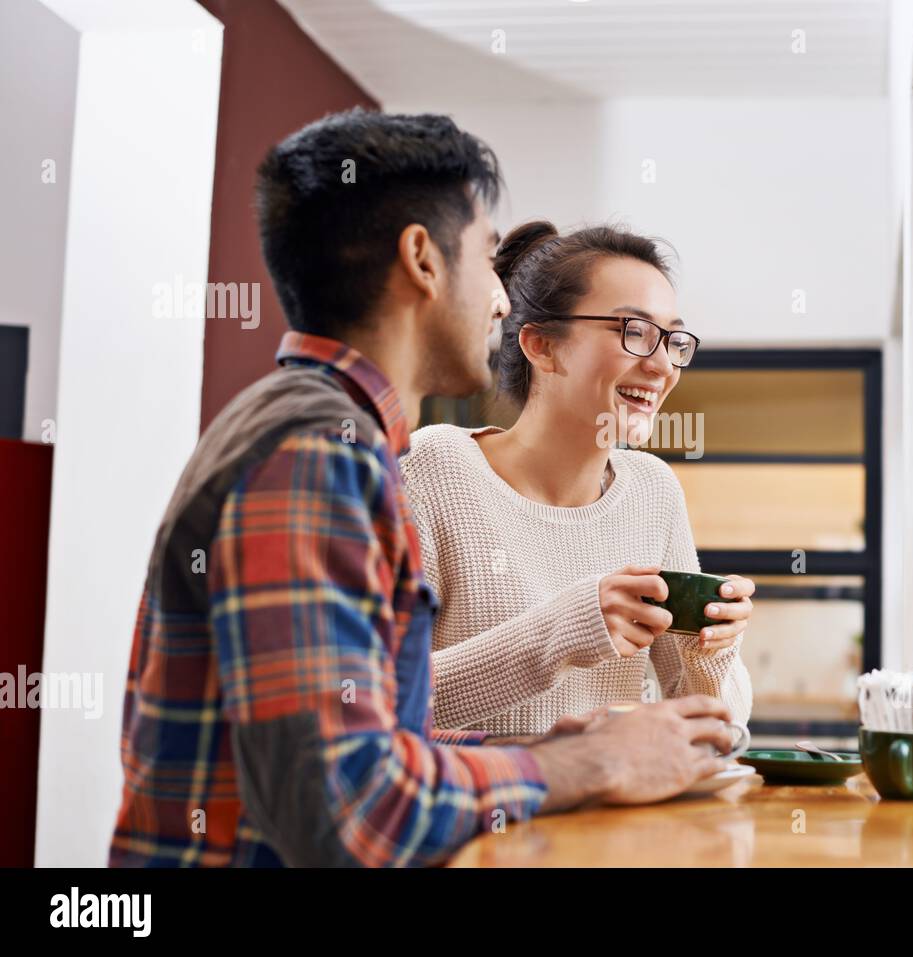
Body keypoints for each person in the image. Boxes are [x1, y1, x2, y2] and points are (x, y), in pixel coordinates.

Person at [109, 110, 736, 868]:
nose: (504, 302)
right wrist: (585, 763)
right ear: (422, 260)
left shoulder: (319, 433)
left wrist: (564, 744)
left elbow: (377, 748)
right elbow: (350, 810)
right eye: (484, 257)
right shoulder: (318, 453)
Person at [400, 221, 754, 737]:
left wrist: (713, 648)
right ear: (541, 346)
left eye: (673, 340)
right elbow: (377, 707)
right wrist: (565, 630)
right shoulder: (434, 467)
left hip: (612, 812)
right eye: (633, 332)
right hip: (481, 813)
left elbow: (717, 724)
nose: (662, 366)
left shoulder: (652, 488)